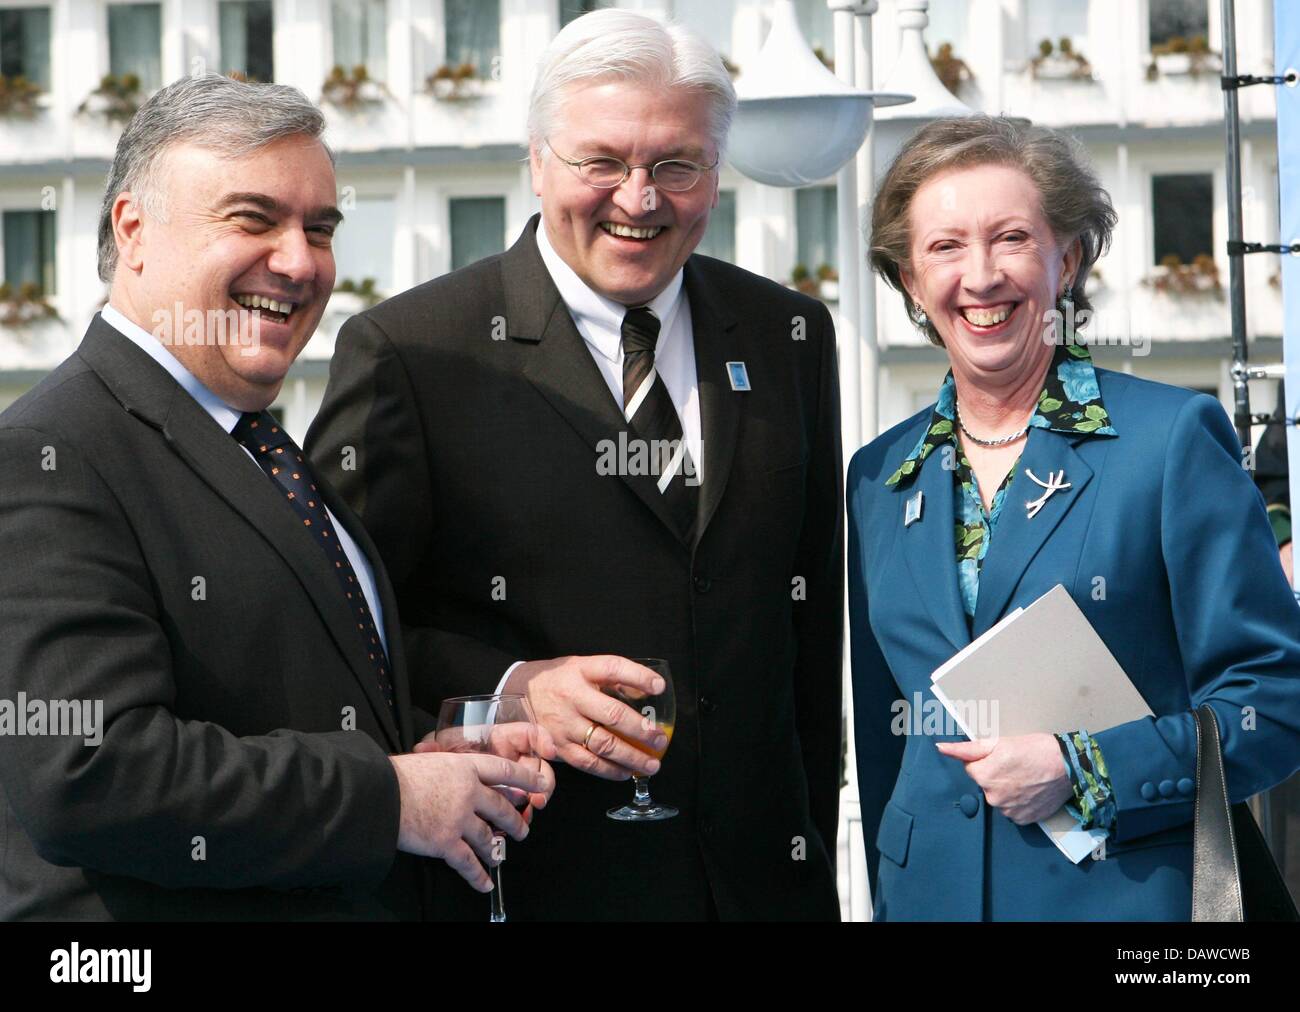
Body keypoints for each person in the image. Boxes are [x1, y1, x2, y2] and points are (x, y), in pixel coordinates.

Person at [306, 10, 843, 921]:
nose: (639, 199)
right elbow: (333, 626)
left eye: (675, 165)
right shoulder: (412, 350)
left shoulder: (791, 335)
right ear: (538, 160)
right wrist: (508, 688)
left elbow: (807, 644)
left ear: (716, 173)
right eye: (602, 162)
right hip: (532, 883)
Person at [0, 75, 552, 921]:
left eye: (319, 228)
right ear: (133, 231)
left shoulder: (255, 440)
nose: (299, 262)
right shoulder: (50, 454)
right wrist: (388, 798)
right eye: (253, 219)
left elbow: (274, 691)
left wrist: (428, 750)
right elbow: (86, 769)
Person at [848, 115, 1300, 921]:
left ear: (1068, 259)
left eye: (1012, 238)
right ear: (911, 281)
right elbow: (889, 748)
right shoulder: (878, 476)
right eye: (945, 247)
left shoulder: (1170, 442)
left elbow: (1274, 700)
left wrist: (1086, 766)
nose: (980, 276)